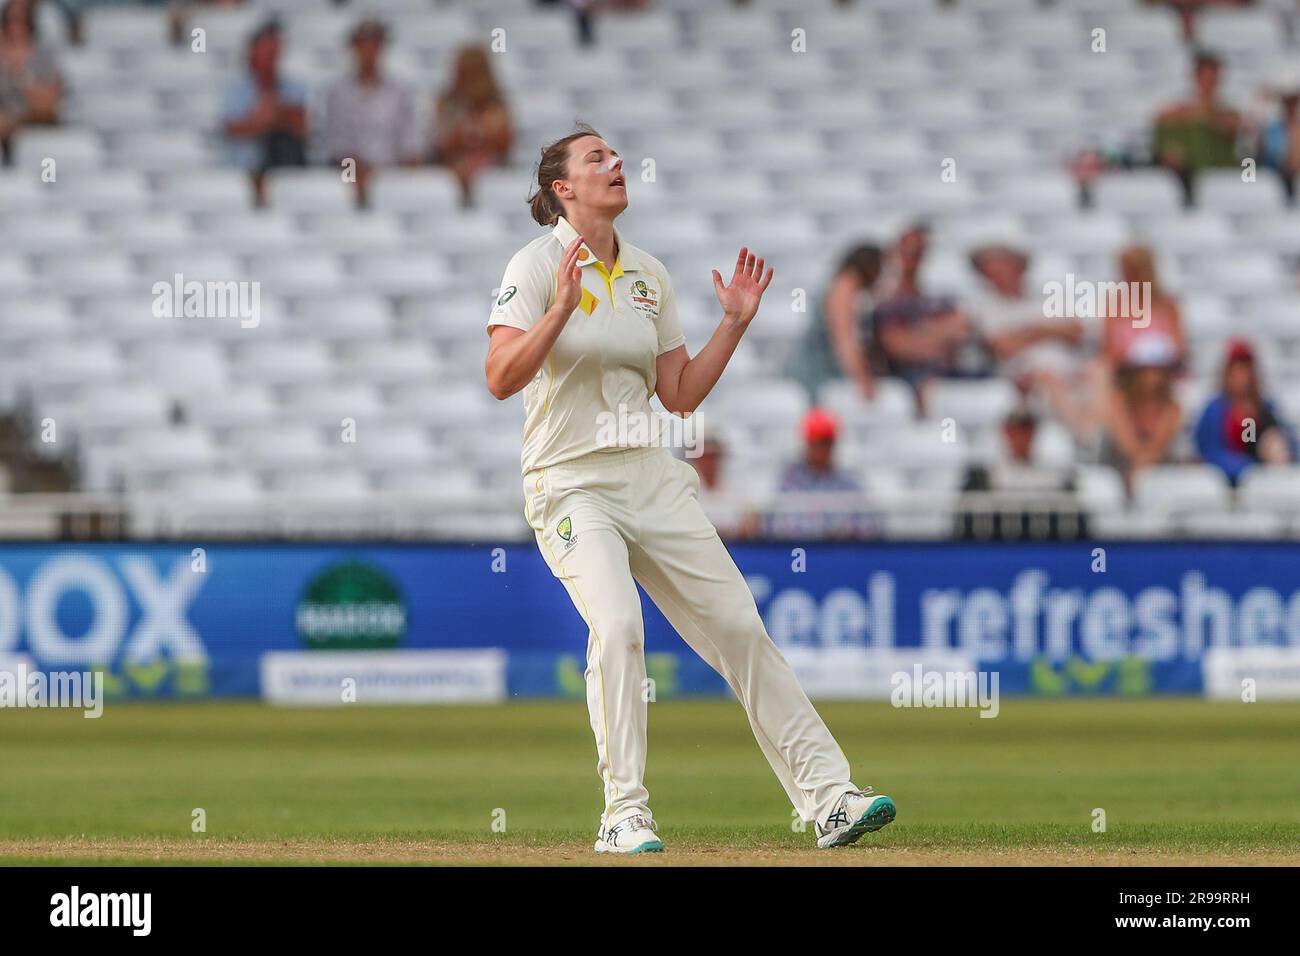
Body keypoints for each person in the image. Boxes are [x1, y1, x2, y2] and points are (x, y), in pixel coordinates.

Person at [485, 125, 894, 854]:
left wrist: (732, 326)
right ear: (562, 189)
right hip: (570, 484)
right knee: (616, 628)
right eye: (596, 160)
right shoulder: (537, 265)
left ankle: (830, 798)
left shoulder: (649, 274)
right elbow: (499, 377)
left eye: (615, 156)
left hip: (650, 477)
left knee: (739, 627)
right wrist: (557, 311)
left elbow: (677, 394)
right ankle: (624, 813)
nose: (615, 165)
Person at [968, 243, 1092, 434]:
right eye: (991, 272)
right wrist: (1048, 329)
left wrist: (1028, 332)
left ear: (1020, 267)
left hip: (1073, 371)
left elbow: (1076, 331)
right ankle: (1087, 437)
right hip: (1029, 377)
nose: (997, 276)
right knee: (1050, 378)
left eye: (1003, 268)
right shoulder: (987, 307)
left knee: (1103, 374)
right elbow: (1004, 346)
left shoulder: (1043, 297)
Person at [319, 18, 425, 203]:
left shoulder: (400, 92)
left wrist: (391, 175)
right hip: (349, 176)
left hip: (393, 177)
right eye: (363, 44)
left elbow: (411, 144)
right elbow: (335, 146)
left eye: (374, 44)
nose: (369, 51)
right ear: (354, 48)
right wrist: (357, 173)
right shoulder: (337, 93)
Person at [869, 223, 975, 401]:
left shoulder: (940, 296)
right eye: (906, 249)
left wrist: (918, 334)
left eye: (918, 251)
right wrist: (938, 334)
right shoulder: (885, 304)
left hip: (954, 374)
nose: (912, 256)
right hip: (912, 380)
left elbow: (961, 328)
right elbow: (900, 346)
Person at [220, 18, 308, 206]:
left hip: (283, 167)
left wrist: (266, 119)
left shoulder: (293, 87)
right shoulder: (235, 90)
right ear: (253, 52)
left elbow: (302, 127)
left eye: (274, 51)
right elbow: (233, 129)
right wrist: (271, 119)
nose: (271, 56)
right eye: (266, 51)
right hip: (243, 167)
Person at [784, 244, 881, 401]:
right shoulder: (844, 287)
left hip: (822, 370)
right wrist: (862, 377)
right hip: (814, 372)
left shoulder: (843, 285)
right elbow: (844, 340)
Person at [1195, 338, 1294, 484]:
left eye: (1246, 369)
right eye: (1236, 369)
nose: (1241, 376)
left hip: (1263, 482)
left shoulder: (1266, 408)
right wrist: (1246, 466)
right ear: (1227, 372)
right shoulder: (1214, 410)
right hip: (1224, 483)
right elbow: (1207, 451)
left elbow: (1288, 445)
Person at [1152, 50, 1243, 202]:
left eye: (1214, 77)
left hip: (1224, 183)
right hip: (1187, 183)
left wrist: (1196, 114)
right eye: (1205, 77)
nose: (1209, 83)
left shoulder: (1228, 112)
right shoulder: (1175, 115)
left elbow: (1231, 125)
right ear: (1196, 78)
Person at [1099, 336, 1184, 493]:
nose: (1152, 376)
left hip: (1158, 482)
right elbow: (1128, 446)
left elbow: (1158, 446)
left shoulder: (1172, 407)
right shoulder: (1118, 401)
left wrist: (1142, 470)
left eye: (1158, 369)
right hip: (1116, 479)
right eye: (1146, 369)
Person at [432, 45, 512, 207]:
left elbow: (504, 145)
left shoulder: (496, 104)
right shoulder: (447, 103)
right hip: (452, 167)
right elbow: (441, 146)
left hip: (490, 169)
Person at [1099, 244, 1186, 373]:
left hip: (1164, 373)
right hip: (1126, 375)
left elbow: (1179, 349)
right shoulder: (1115, 306)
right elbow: (1108, 352)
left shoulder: (1167, 306)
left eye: (1135, 271)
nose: (1130, 276)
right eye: (1126, 270)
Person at [0, 0, 62, 165]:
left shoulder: (43, 54)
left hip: (35, 115)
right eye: (11, 20)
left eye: (21, 20)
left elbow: (51, 93)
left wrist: (27, 85)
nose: (15, 26)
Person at [778, 409, 860, 493]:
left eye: (827, 442)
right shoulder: (792, 476)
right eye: (818, 443)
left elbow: (860, 501)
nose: (823, 449)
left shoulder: (846, 476)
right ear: (808, 443)